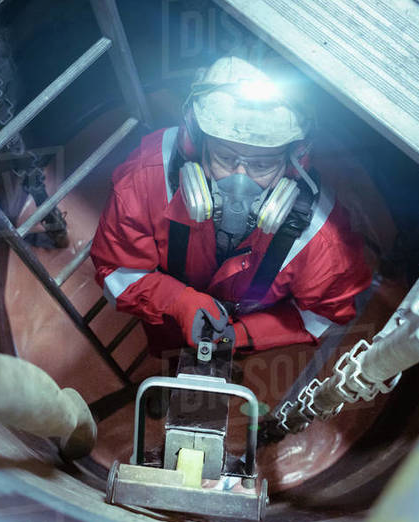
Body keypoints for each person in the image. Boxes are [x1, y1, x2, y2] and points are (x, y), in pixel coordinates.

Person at [90, 55, 371, 357]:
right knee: (166, 352)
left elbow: (323, 314)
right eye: (225, 158)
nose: (240, 180)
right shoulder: (146, 178)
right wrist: (176, 303)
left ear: (294, 161)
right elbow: (116, 268)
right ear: (196, 145)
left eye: (262, 164)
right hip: (166, 321)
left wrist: (239, 337)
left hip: (242, 335)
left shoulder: (323, 240)